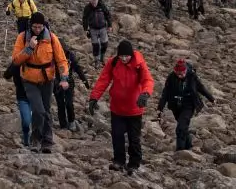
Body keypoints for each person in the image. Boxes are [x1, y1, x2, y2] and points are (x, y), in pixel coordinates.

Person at [88, 41, 154, 175]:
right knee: (117, 136)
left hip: (134, 109)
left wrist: (145, 93)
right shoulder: (113, 63)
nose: (124, 59)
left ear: (131, 55)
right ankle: (119, 161)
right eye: (121, 56)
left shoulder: (139, 65)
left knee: (133, 138)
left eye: (126, 56)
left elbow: (148, 80)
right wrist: (94, 97)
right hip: (117, 108)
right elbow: (103, 80)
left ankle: (134, 163)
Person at [10, 12, 70, 153]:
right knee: (38, 110)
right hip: (29, 80)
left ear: (44, 26)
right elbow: (16, 60)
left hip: (47, 80)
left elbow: (61, 60)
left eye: (40, 27)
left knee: (46, 110)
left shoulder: (52, 39)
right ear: (31, 25)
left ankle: (47, 141)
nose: (37, 29)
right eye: (35, 27)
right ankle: (35, 139)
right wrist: (29, 48)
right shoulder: (23, 37)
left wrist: (64, 78)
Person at [156, 58, 214, 152]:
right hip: (175, 105)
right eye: (178, 74)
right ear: (175, 71)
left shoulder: (192, 76)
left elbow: (201, 88)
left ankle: (180, 150)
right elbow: (165, 93)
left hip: (189, 105)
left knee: (180, 127)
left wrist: (211, 99)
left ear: (186, 70)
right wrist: (160, 108)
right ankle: (188, 144)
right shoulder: (171, 77)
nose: (180, 76)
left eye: (182, 73)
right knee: (183, 126)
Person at [55, 43, 90, 132]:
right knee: (60, 104)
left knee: (69, 103)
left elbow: (77, 68)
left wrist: (84, 80)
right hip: (56, 82)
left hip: (69, 81)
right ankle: (63, 125)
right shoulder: (52, 55)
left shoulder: (70, 55)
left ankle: (71, 121)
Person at [3, 63, 33, 147]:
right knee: (26, 121)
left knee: (38, 119)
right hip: (23, 97)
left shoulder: (38, 61)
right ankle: (26, 138)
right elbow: (7, 75)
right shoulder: (17, 64)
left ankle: (37, 139)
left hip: (37, 96)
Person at [82, 0, 113, 67]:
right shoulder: (88, 8)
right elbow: (85, 18)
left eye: (95, 3)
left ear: (97, 1)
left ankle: (102, 59)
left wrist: (110, 25)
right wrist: (85, 29)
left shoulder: (102, 5)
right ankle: (96, 61)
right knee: (95, 45)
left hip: (103, 28)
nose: (94, 5)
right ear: (90, 2)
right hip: (93, 29)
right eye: (92, 3)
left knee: (104, 44)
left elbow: (107, 15)